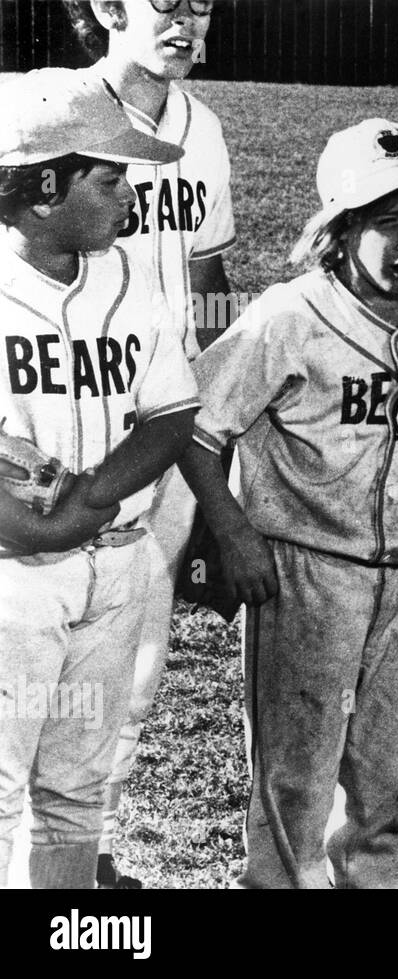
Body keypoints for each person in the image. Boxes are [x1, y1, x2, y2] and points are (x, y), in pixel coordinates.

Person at [180, 119, 398, 888]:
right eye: (385, 218)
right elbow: (194, 430)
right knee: (294, 781)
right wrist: (231, 533)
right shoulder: (288, 316)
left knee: (385, 781)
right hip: (304, 575)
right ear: (339, 229)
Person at [0, 68, 197, 889]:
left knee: (78, 789)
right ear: (46, 188)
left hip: (112, 559)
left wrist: (91, 497)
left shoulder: (128, 277)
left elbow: (172, 411)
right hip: (11, 578)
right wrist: (30, 525)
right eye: (109, 177)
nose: (128, 197)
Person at [60, 0, 236, 889]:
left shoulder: (202, 131)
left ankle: (84, 852)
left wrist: (218, 403)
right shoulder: (57, 114)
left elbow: (208, 279)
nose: (188, 20)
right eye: (165, 1)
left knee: (136, 660)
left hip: (167, 428)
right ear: (104, 6)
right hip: (68, 424)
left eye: (200, 2)